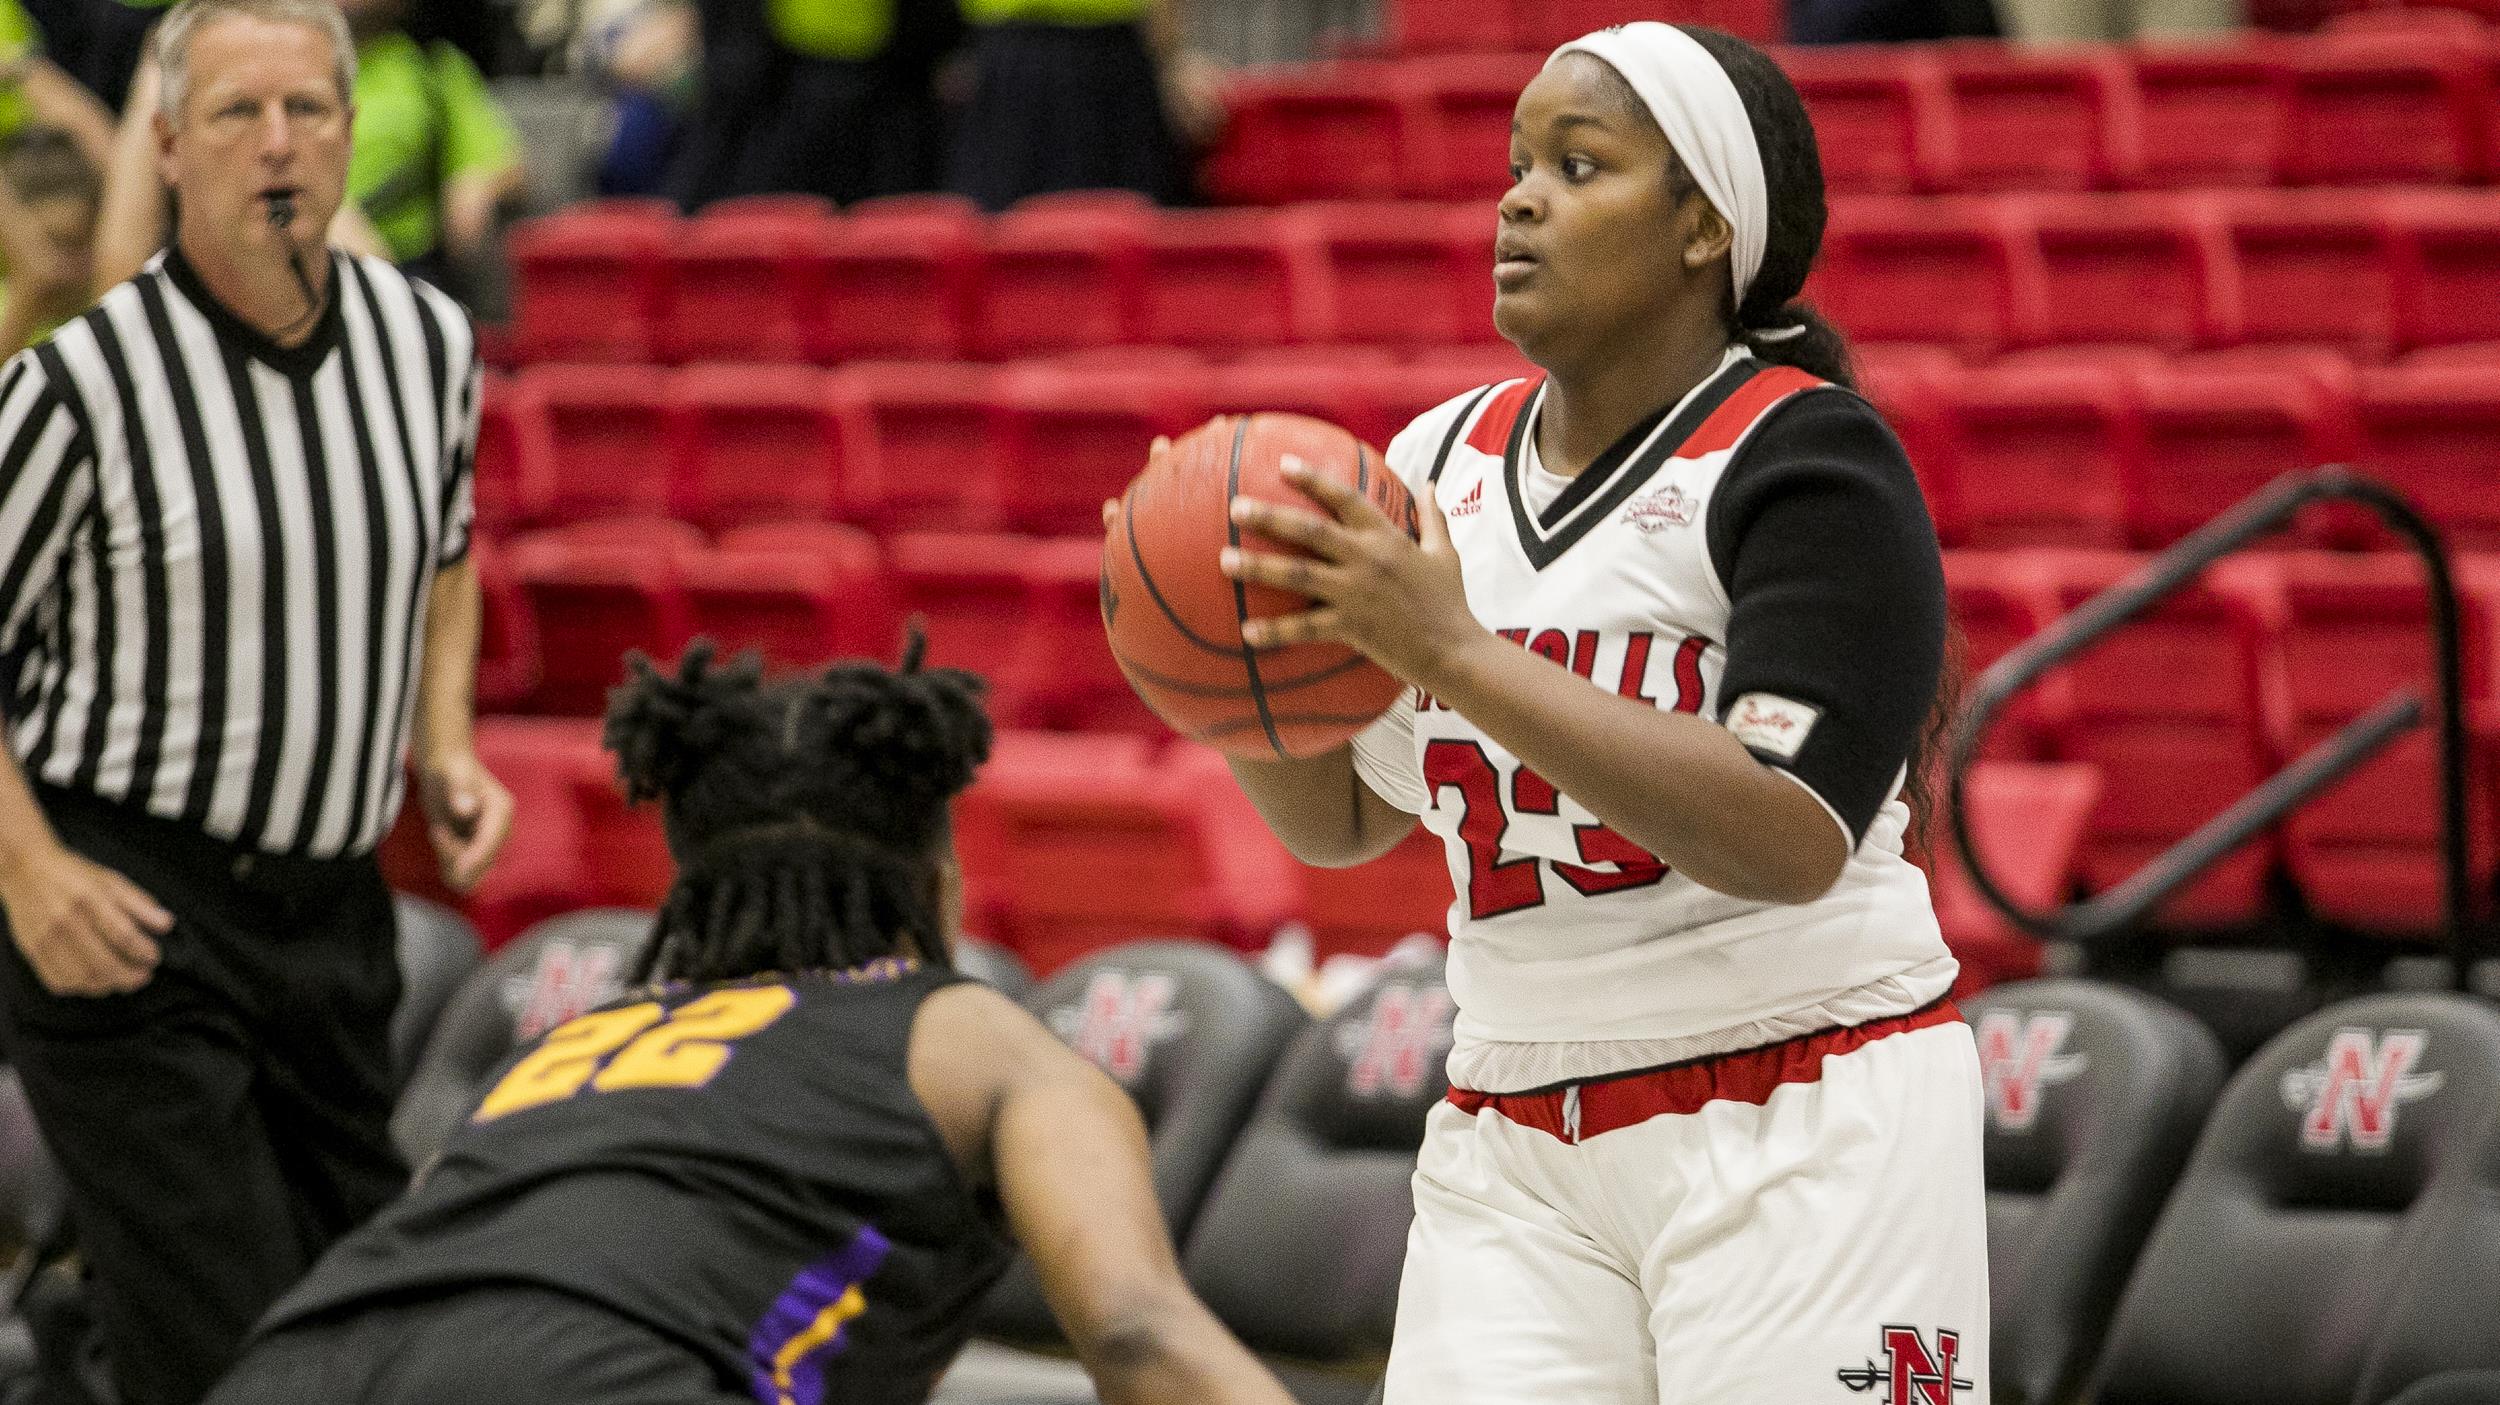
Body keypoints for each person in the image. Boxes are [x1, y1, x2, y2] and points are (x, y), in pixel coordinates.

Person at [1172, 21, 1989, 1402]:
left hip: (1802, 1104)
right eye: (1514, 165)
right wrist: (1222, 669)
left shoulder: (1809, 459)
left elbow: (1786, 832)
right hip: (1516, 1123)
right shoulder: (1433, 461)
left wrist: (1457, 647)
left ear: (1701, 228)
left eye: (1578, 164)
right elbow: (1350, 814)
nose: (1519, 197)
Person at [206, 639, 1302, 1405]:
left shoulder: (582, 1040)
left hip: (293, 1362)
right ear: (937, 879)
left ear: (692, 885)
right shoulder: (972, 1036)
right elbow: (1133, 1330)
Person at [0, 0, 514, 1399]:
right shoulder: (80, 386)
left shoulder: (429, 349)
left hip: (333, 919)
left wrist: (446, 742)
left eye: (306, 111)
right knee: (236, 1352)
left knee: (365, 1327)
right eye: (236, 115)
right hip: (128, 911)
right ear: (166, 145)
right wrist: (30, 868)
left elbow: (447, 549)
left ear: (352, 133)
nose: (276, 145)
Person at [944, 0, 1218, 212]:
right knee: (1003, 246)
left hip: (1112, 63)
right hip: (1010, 63)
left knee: (1123, 237)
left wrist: (1173, 56)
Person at [337, 0, 526, 286]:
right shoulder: (286, 69)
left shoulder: (431, 66)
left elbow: (506, 164)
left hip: (406, 265)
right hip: (297, 247)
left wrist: (480, 184)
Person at [0, 126, 101, 356]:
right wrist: (29, 290)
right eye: (54, 242)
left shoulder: (110, 302)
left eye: (78, 243)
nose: (63, 260)